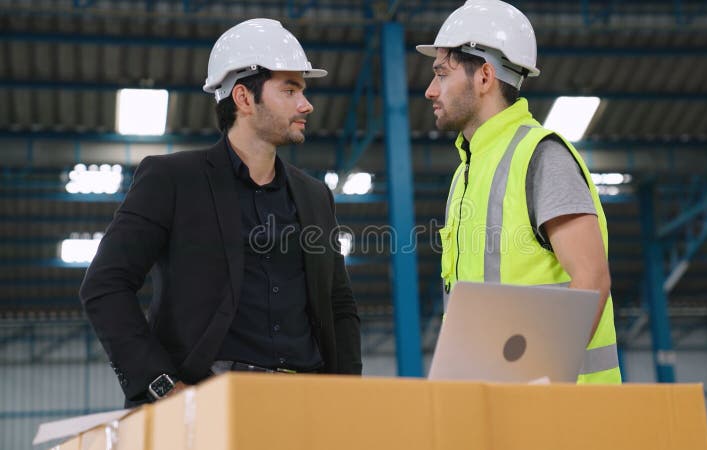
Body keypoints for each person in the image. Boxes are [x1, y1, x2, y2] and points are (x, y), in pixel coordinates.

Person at [80, 18, 362, 406]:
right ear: (244, 98)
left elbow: (339, 305)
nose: (306, 104)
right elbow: (105, 285)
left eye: (303, 90)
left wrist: (348, 397)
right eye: (290, 89)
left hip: (305, 403)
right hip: (208, 403)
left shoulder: (315, 196)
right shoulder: (172, 180)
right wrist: (161, 385)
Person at [417, 0, 620, 383]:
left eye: (441, 74)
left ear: (484, 76)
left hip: (562, 417)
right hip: (496, 409)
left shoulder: (541, 156)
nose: (430, 90)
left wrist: (542, 384)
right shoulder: (466, 174)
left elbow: (592, 278)